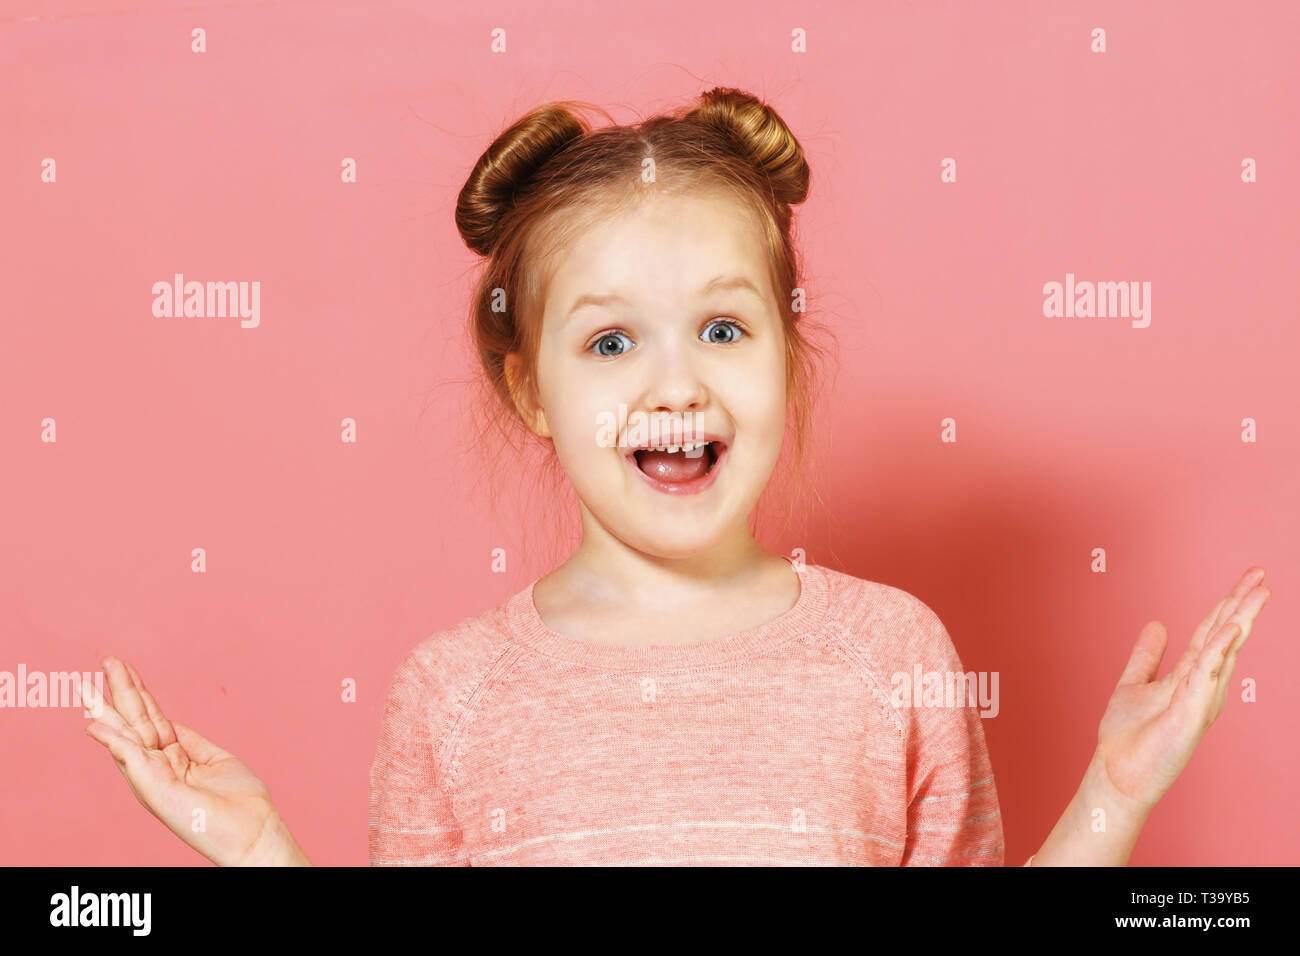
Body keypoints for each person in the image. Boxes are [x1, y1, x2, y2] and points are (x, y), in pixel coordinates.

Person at [79, 88, 1271, 866]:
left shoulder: (892, 652)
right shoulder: (453, 691)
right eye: (609, 340)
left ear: (789, 355)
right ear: (527, 389)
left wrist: (1113, 797)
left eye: (721, 327)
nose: (676, 382)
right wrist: (263, 858)